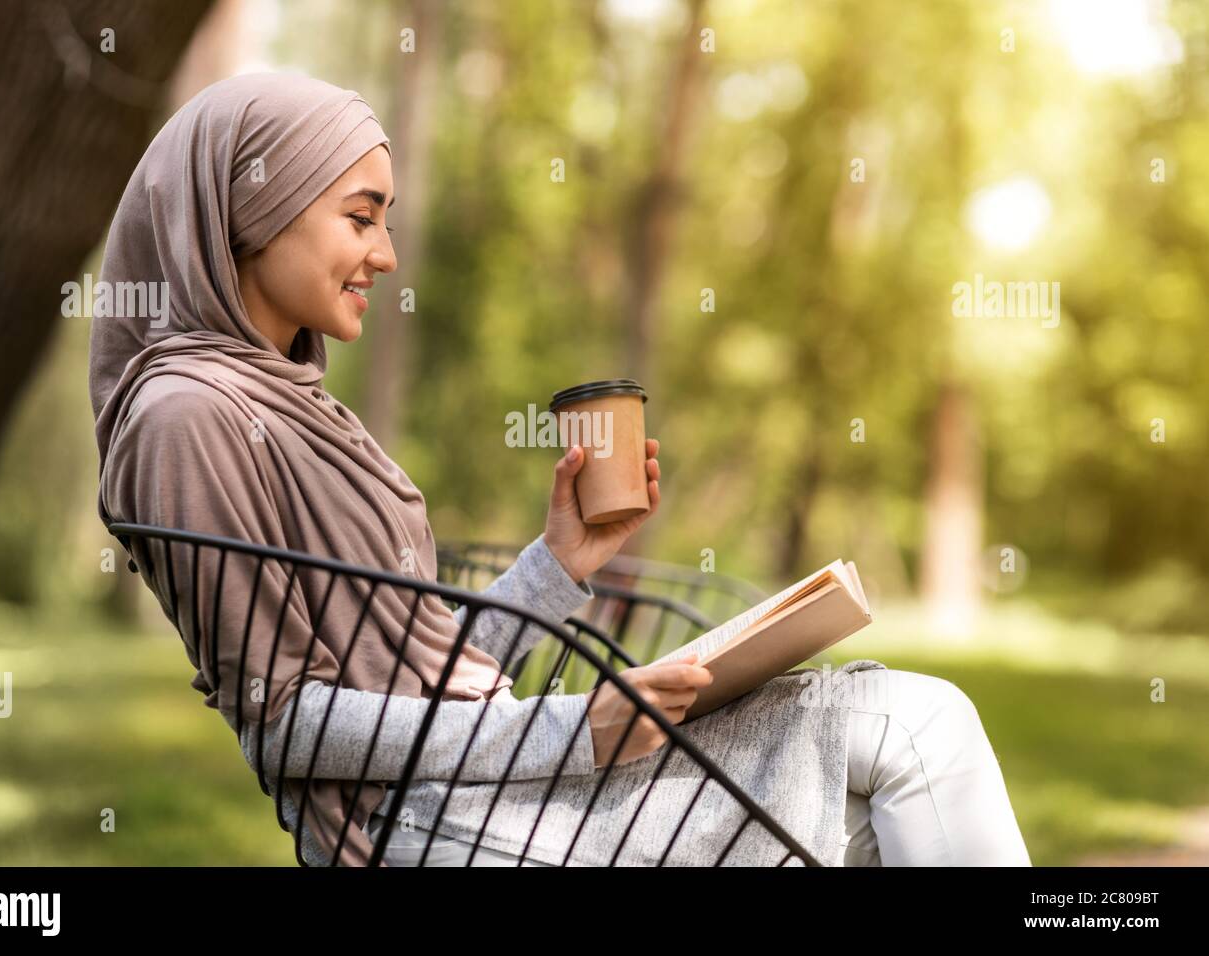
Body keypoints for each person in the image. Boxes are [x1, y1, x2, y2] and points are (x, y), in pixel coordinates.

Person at [90, 72, 1031, 867]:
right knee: (908, 735)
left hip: (491, 785)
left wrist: (558, 564)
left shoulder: (281, 397)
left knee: (890, 755)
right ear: (256, 210)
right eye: (360, 218)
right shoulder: (187, 416)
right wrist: (577, 730)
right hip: (439, 829)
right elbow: (285, 725)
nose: (384, 252)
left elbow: (408, 674)